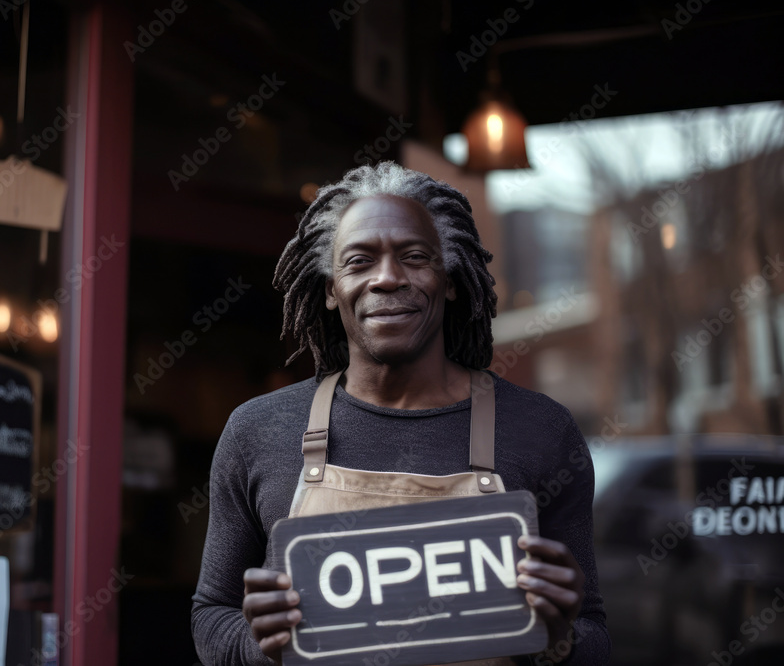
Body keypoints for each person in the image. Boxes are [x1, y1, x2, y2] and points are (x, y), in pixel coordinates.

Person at [190, 161, 610, 665]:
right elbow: (212, 615)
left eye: (414, 257)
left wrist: (557, 638)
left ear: (449, 280)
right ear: (329, 289)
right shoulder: (258, 431)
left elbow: (595, 636)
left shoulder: (540, 431)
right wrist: (261, 645)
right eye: (359, 261)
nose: (387, 278)